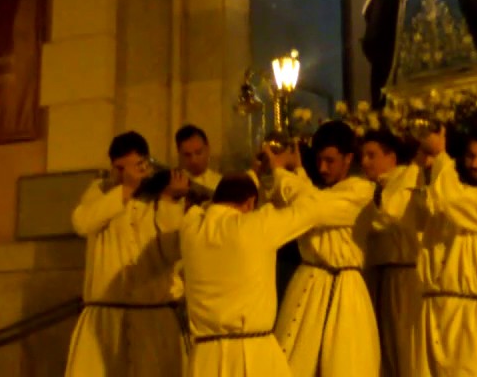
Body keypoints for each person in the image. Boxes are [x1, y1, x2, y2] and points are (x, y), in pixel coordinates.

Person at [179, 148, 365, 377]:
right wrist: (281, 170)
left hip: (205, 358)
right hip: (253, 352)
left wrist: (252, 175)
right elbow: (312, 208)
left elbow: (208, 206)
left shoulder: (190, 229)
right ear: (250, 203)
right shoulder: (258, 226)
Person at [380, 119, 477, 376]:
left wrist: (441, 155)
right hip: (430, 309)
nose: (474, 164)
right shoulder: (442, 186)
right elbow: (391, 212)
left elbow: (452, 201)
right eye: (470, 156)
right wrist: (417, 163)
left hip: (473, 314)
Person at [65, 131, 189, 376]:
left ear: (145, 164)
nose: (123, 175)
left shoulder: (159, 196)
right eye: (118, 168)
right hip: (106, 320)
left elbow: (172, 250)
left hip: (152, 319)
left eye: (130, 167)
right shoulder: (100, 191)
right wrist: (125, 191)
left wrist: (169, 202)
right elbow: (82, 223)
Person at [272, 121, 379, 375]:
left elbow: (313, 209)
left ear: (348, 158)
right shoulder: (317, 190)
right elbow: (298, 205)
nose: (322, 168)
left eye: (330, 161)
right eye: (319, 160)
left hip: (345, 289)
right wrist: (295, 170)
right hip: (308, 282)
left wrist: (283, 173)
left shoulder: (360, 191)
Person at [363, 129, 422, 377]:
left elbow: (389, 214)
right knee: (380, 344)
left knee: (401, 343)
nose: (365, 162)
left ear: (391, 157)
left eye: (371, 155)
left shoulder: (407, 178)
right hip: (377, 271)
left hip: (402, 271)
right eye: (362, 156)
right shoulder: (371, 186)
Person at [176, 124, 222, 192]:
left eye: (198, 153)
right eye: (187, 155)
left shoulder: (221, 184)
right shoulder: (173, 187)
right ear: (179, 154)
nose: (193, 160)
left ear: (207, 149)